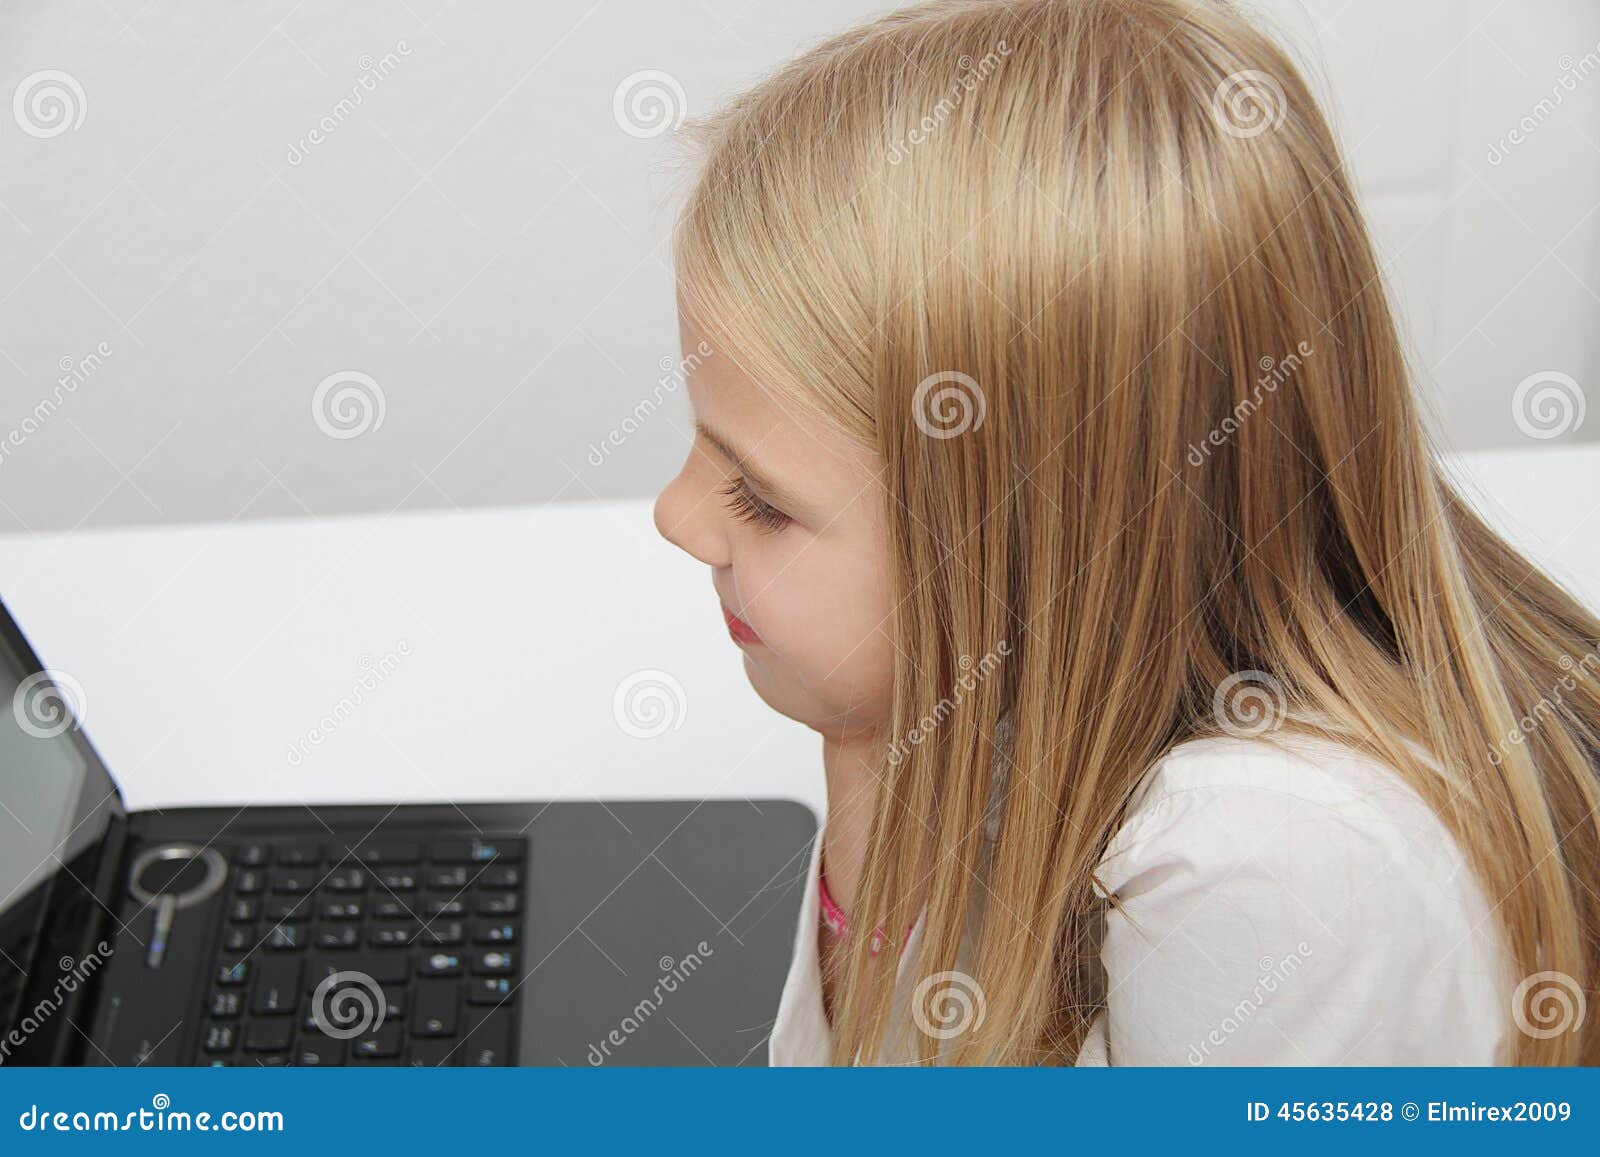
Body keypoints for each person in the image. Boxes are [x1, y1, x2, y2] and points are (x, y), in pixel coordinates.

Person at [652, 0, 1600, 1065]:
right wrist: (874, 762)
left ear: (1040, 536)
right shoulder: (1029, 697)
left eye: (762, 499)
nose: (675, 516)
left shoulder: (1277, 873)